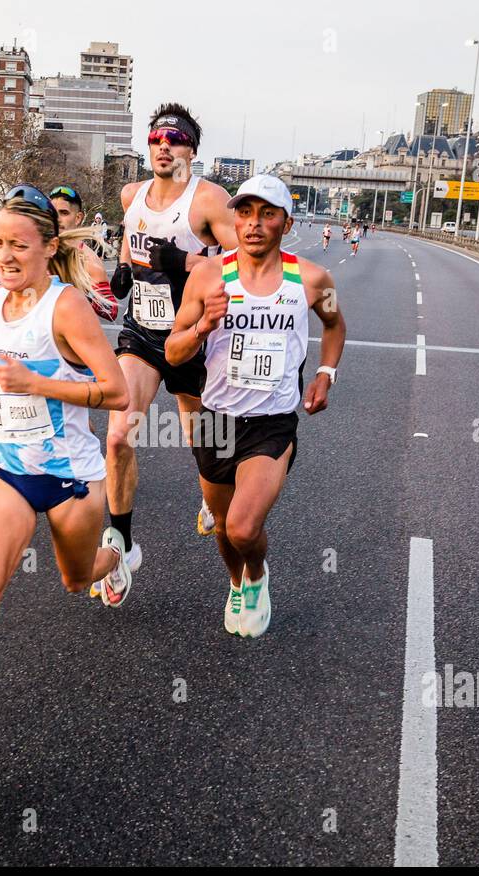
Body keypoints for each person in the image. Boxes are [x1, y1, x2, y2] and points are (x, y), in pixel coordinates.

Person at [0, 184, 133, 791]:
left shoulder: (67, 309)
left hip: (70, 479)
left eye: (19, 245)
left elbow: (115, 392)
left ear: (47, 248)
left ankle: (117, 555)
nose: (5, 256)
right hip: (9, 472)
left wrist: (39, 387)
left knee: (75, 578)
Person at [165, 174, 346, 637]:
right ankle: (236, 583)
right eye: (245, 213)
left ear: (285, 223)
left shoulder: (310, 279)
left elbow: (334, 325)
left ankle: (259, 577)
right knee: (223, 529)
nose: (254, 224)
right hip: (213, 421)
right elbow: (173, 351)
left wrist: (326, 373)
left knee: (245, 529)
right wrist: (204, 325)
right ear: (235, 219)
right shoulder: (208, 276)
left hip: (271, 423)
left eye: (267, 214)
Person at [103, 102, 239, 570]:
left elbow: (247, 266)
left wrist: (181, 262)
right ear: (148, 145)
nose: (165, 145)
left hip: (193, 335)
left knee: (200, 439)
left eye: (175, 138)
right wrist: (123, 267)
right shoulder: (130, 194)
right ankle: (121, 542)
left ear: (191, 149)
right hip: (140, 332)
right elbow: (130, 233)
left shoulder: (208, 201)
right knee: (120, 435)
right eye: (158, 138)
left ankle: (210, 492)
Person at [50, 184, 117, 322]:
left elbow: (111, 311)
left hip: (69, 337)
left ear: (78, 218)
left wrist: (81, 292)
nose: (57, 218)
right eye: (52, 213)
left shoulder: (89, 260)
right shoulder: (39, 250)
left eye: (64, 213)